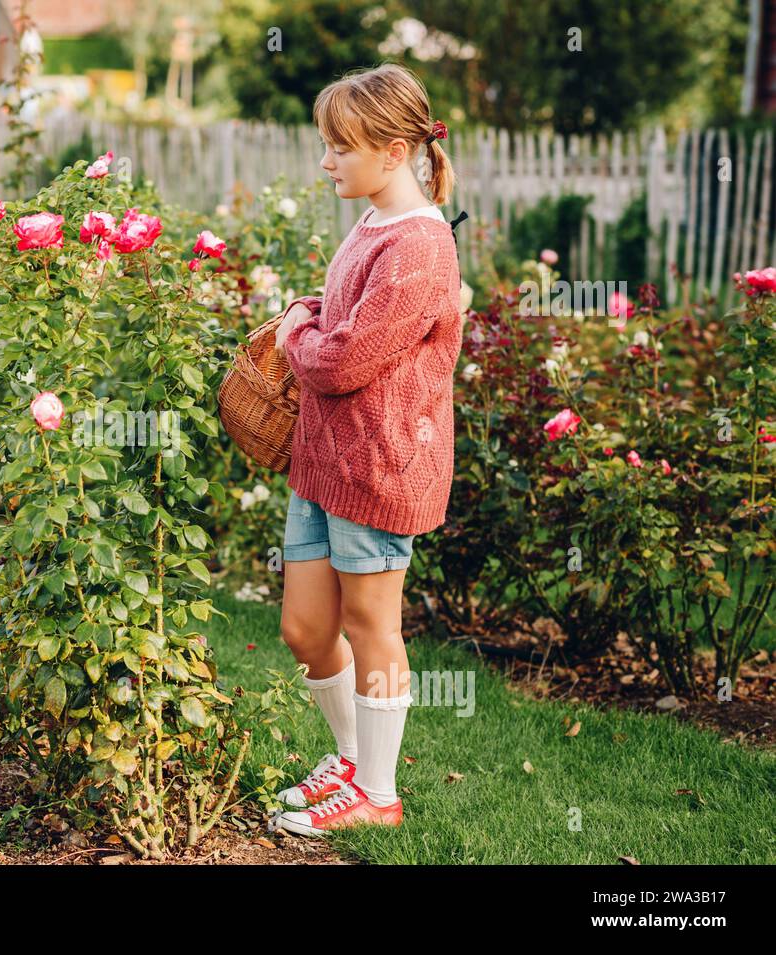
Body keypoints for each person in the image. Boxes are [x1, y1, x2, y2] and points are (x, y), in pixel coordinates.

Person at [270, 63, 463, 836]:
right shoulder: (373, 224)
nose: (326, 162)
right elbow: (344, 317)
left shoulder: (420, 247)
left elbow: (342, 360)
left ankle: (378, 796)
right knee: (305, 629)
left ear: (390, 151)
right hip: (324, 461)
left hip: (382, 466)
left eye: (339, 148)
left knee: (372, 625)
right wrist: (307, 316)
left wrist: (293, 330)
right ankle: (351, 760)